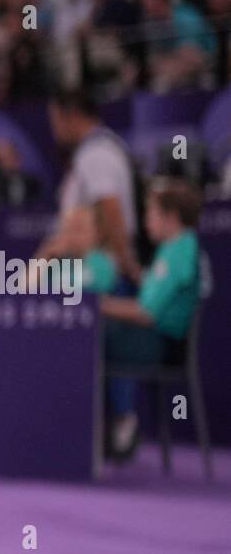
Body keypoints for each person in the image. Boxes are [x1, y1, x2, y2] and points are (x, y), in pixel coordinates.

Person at [99, 178, 204, 460]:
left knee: (87, 345)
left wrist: (98, 307)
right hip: (156, 341)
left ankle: (108, 431)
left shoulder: (178, 252)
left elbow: (145, 313)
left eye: (151, 213)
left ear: (171, 217)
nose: (146, 221)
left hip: (160, 346)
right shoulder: (177, 248)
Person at [36, 88, 143, 285]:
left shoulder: (96, 153)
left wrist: (125, 264)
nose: (54, 130)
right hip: (88, 264)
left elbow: (110, 205)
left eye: (56, 120)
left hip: (100, 268)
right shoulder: (96, 149)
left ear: (72, 116)